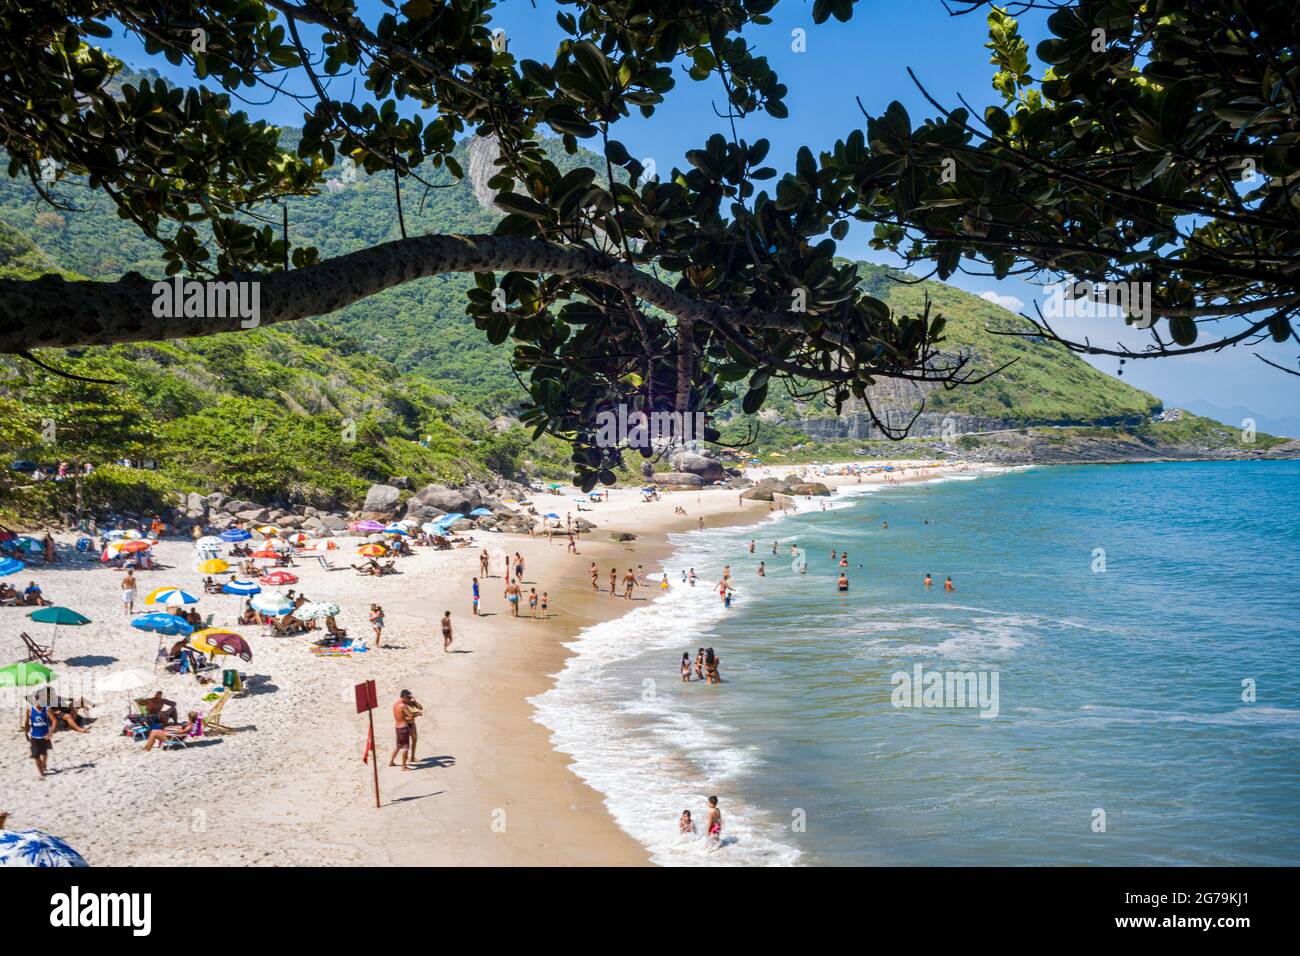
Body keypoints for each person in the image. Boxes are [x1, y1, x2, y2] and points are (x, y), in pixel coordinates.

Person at [23, 698, 52, 777]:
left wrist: (50, 732)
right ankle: (42, 773)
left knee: (45, 753)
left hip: (44, 736)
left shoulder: (46, 709)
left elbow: (54, 720)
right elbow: (26, 723)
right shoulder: (30, 710)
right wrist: (26, 733)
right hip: (34, 737)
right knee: (36, 756)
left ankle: (44, 763)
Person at [389, 691, 417, 771]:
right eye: (408, 698)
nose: (409, 699)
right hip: (404, 728)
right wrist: (416, 715)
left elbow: (399, 716)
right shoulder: (403, 706)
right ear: (404, 697)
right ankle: (403, 766)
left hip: (397, 727)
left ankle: (391, 762)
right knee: (405, 747)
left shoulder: (395, 704)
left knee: (398, 746)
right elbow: (410, 717)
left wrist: (406, 718)